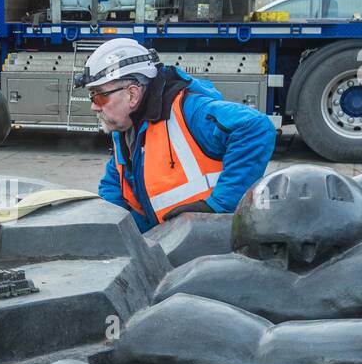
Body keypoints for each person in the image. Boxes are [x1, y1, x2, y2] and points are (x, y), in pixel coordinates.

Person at [81, 38, 276, 233]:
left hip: (208, 243)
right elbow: (115, 183)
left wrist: (218, 206)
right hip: (165, 242)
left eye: (99, 95)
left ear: (132, 94)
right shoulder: (126, 128)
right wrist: (112, 228)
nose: (93, 106)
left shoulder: (188, 112)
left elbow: (255, 127)